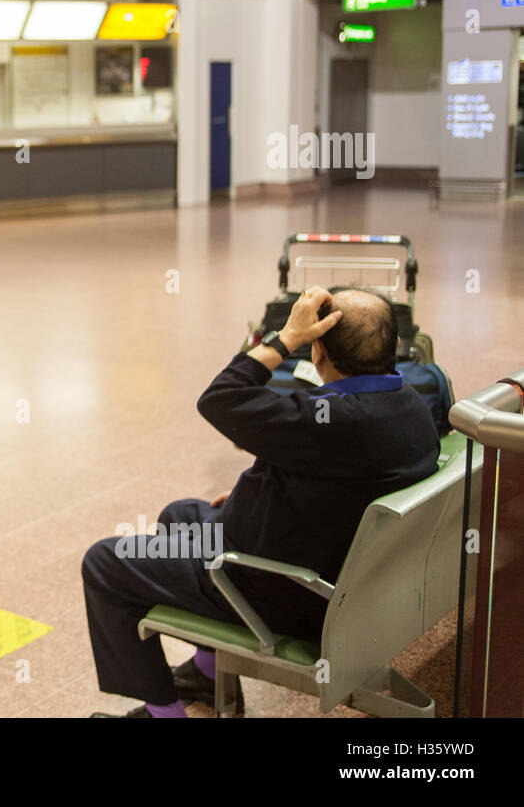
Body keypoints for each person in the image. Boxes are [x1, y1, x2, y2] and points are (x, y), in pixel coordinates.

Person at [82, 285, 439, 717]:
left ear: (318, 350)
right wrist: (257, 489)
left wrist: (285, 337)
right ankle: (208, 676)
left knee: (104, 563)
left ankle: (165, 715)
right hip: (347, 575)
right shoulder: (412, 408)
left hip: (278, 586)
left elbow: (220, 399)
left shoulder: (324, 419)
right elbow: (351, 481)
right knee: (179, 515)